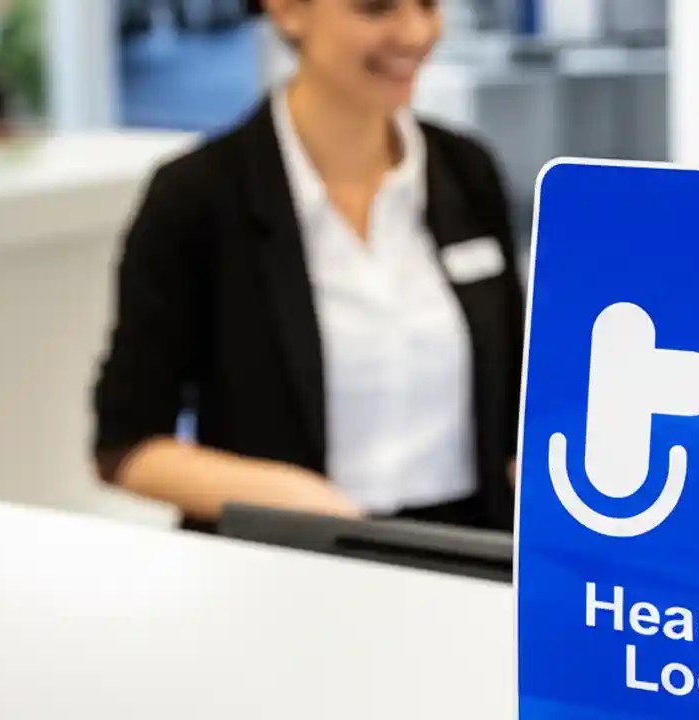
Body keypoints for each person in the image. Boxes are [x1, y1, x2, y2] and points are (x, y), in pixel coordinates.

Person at [93, 0, 523, 534]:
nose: (414, 33)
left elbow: (517, 405)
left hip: (469, 554)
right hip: (287, 563)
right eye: (377, 9)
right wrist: (300, 503)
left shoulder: (467, 171)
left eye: (429, 5)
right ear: (289, 11)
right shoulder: (198, 196)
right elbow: (127, 447)